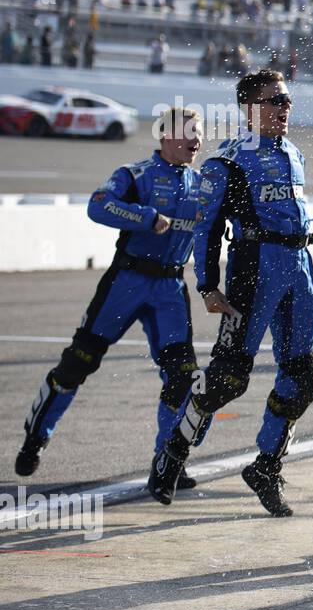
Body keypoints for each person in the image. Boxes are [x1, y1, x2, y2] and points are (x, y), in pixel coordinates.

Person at [148, 69, 313, 516]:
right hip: (254, 270)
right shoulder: (227, 160)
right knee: (228, 378)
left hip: (301, 268)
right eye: (274, 101)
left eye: (286, 100)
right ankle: (174, 450)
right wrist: (207, 285)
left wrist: (302, 232)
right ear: (249, 109)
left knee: (303, 377)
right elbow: (206, 229)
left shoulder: (294, 152)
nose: (284, 108)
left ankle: (266, 465)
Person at [16, 107, 205, 478]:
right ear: (165, 136)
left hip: (171, 288)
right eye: (189, 132)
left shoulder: (203, 184)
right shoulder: (136, 175)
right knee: (77, 364)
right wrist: (146, 217)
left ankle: (168, 462)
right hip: (126, 281)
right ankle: (35, 438)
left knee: (183, 377)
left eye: (200, 133)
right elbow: (97, 205)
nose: (196, 140)